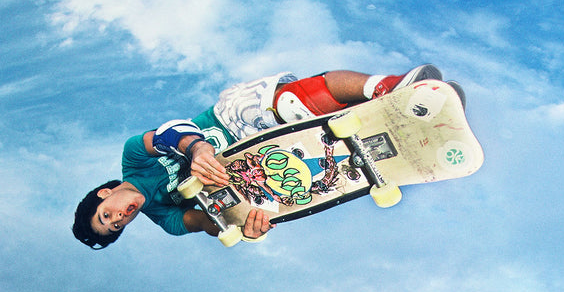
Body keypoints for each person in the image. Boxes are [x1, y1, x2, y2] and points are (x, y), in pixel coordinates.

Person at [72, 65, 443, 249]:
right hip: (266, 163)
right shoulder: (165, 219)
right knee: (310, 148)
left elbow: (170, 132)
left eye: (108, 214)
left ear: (105, 194)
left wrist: (197, 148)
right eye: (117, 226)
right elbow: (209, 222)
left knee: (291, 104)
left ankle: (388, 90)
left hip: (232, 120)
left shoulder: (133, 158)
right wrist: (244, 228)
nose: (121, 216)